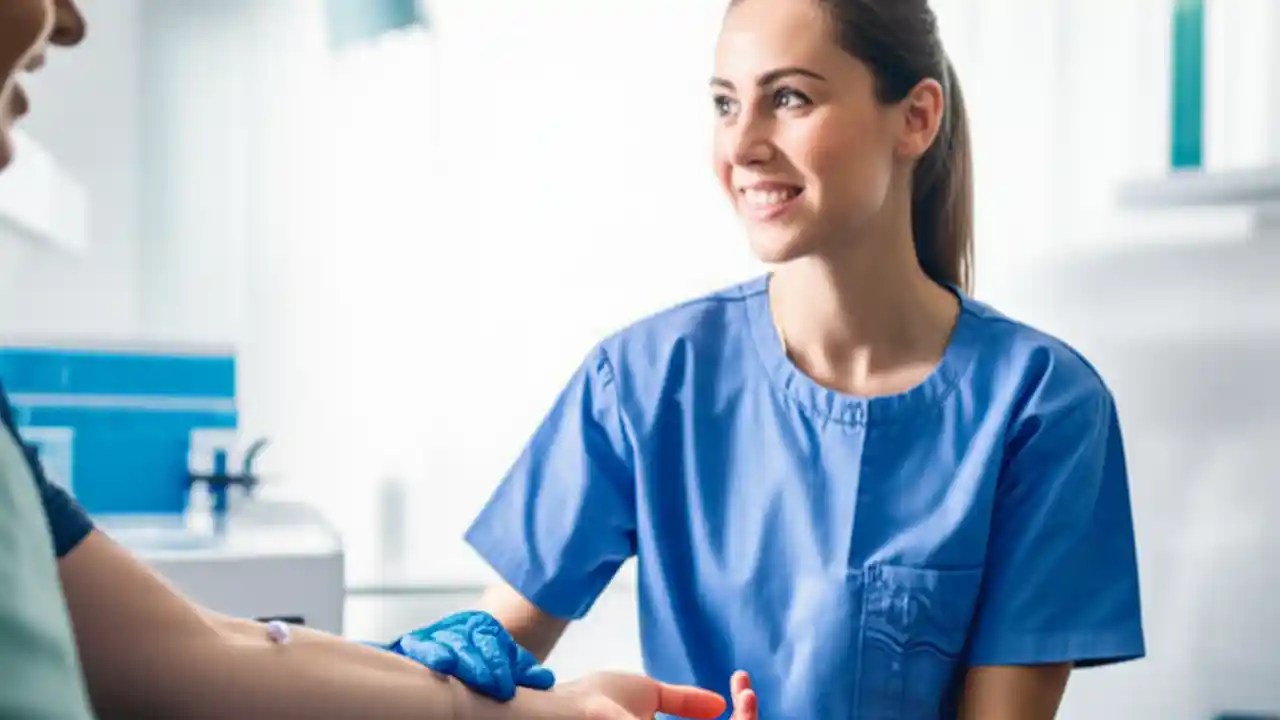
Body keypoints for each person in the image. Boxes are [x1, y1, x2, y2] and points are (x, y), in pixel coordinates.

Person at [0, 2, 729, 719]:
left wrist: (518, 709)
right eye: (724, 105)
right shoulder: (643, 377)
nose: (69, 20)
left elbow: (192, 653)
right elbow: (180, 667)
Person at [419, 0, 1147, 718]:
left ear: (917, 118)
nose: (742, 146)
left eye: (790, 98)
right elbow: (482, 668)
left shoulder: (1041, 407)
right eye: (725, 104)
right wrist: (426, 675)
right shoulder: (644, 383)